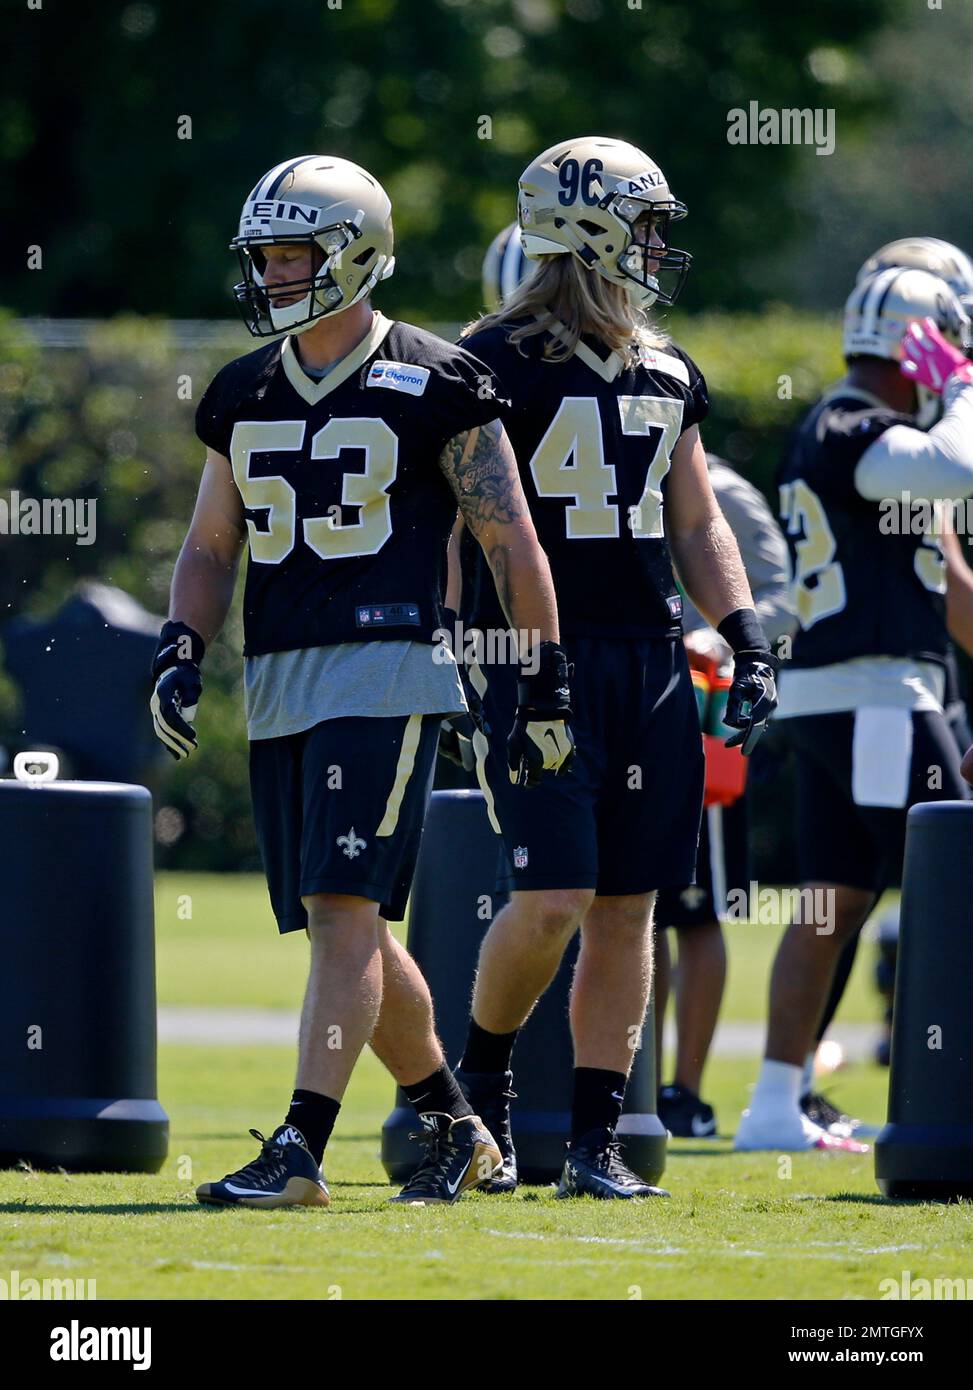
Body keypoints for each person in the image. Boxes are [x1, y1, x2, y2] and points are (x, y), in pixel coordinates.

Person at [150, 154, 574, 1208]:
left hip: (388, 669)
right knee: (354, 927)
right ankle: (456, 1126)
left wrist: (542, 676)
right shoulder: (245, 387)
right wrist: (180, 646)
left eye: (294, 254)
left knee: (342, 911)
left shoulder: (438, 375)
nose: (275, 275)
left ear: (355, 254)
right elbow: (211, 544)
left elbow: (510, 539)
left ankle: (300, 1148)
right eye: (267, 255)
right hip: (284, 675)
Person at [449, 137, 778, 1198]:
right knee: (552, 895)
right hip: (534, 658)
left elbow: (696, 517)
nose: (658, 246)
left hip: (647, 661)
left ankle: (595, 1142)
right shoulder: (484, 364)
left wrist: (744, 628)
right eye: (645, 225)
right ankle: (480, 1098)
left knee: (629, 904)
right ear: (592, 230)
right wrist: (450, 651)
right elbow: (453, 531)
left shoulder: (667, 367)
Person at [734, 264, 973, 1152]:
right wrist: (960, 393)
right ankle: (943, 1096)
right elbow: (955, 460)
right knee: (952, 880)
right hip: (873, 695)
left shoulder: (878, 437)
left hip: (856, 696)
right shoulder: (850, 425)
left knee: (831, 900)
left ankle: (772, 1107)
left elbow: (950, 588)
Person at [654, 454, 795, 1139]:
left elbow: (780, 593)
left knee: (695, 911)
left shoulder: (725, 489)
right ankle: (629, 1086)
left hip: (702, 714)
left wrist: (715, 639)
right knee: (631, 909)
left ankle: (683, 1091)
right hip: (631, 707)